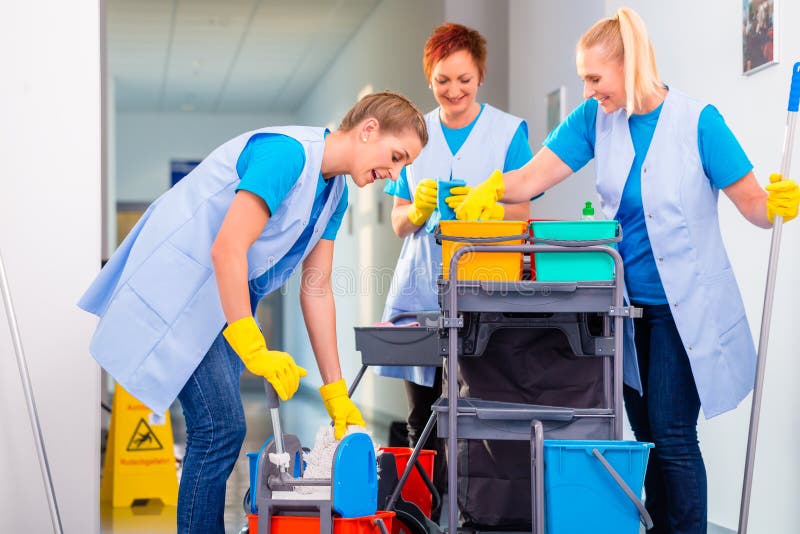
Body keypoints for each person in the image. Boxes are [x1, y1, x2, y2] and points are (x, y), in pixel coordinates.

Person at [453, 7, 799, 533]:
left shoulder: (697, 121)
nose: (589, 89)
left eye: (595, 78)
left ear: (628, 63)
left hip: (681, 311)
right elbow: (529, 178)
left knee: (674, 434)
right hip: (624, 311)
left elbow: (753, 205)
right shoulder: (596, 120)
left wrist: (776, 202)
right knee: (645, 434)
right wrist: (490, 189)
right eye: (584, 79)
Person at [78, 91, 427, 534]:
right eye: (396, 157)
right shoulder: (286, 155)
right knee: (218, 427)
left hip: (218, 299)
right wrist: (251, 344)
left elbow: (316, 289)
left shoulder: (335, 194)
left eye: (403, 166)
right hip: (184, 287)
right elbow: (228, 248)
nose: (393, 174)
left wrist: (335, 392)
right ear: (369, 129)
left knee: (221, 429)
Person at [372, 22, 533, 524]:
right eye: (443, 80)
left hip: (486, 285)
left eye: (464, 79)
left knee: (480, 411)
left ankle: (476, 514)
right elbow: (398, 222)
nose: (454, 90)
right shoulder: (411, 132)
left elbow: (524, 213)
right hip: (420, 288)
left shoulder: (508, 131)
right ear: (430, 79)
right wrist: (416, 210)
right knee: (423, 416)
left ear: (480, 75)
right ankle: (423, 515)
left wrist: (487, 208)